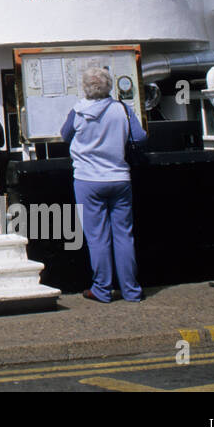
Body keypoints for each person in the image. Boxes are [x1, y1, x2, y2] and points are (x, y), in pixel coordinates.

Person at [60, 67, 145, 303]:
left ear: (86, 87)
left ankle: (102, 289)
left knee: (97, 237)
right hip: (119, 177)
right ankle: (131, 290)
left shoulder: (77, 111)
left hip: (88, 179)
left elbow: (64, 135)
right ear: (109, 86)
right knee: (124, 236)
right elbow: (140, 137)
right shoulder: (123, 109)